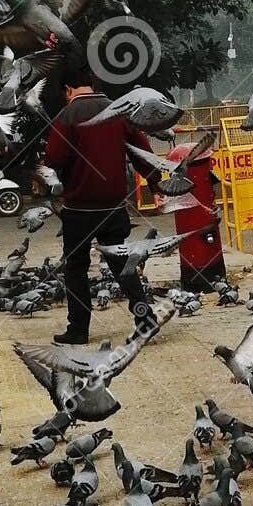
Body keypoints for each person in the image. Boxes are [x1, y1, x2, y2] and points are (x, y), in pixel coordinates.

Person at [42, 63, 161, 344]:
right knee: (121, 263)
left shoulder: (67, 115)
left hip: (79, 208)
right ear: (91, 84)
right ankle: (145, 320)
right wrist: (155, 183)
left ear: (67, 90)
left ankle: (78, 330)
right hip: (113, 206)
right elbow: (142, 151)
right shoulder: (118, 110)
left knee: (76, 268)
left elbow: (54, 158)